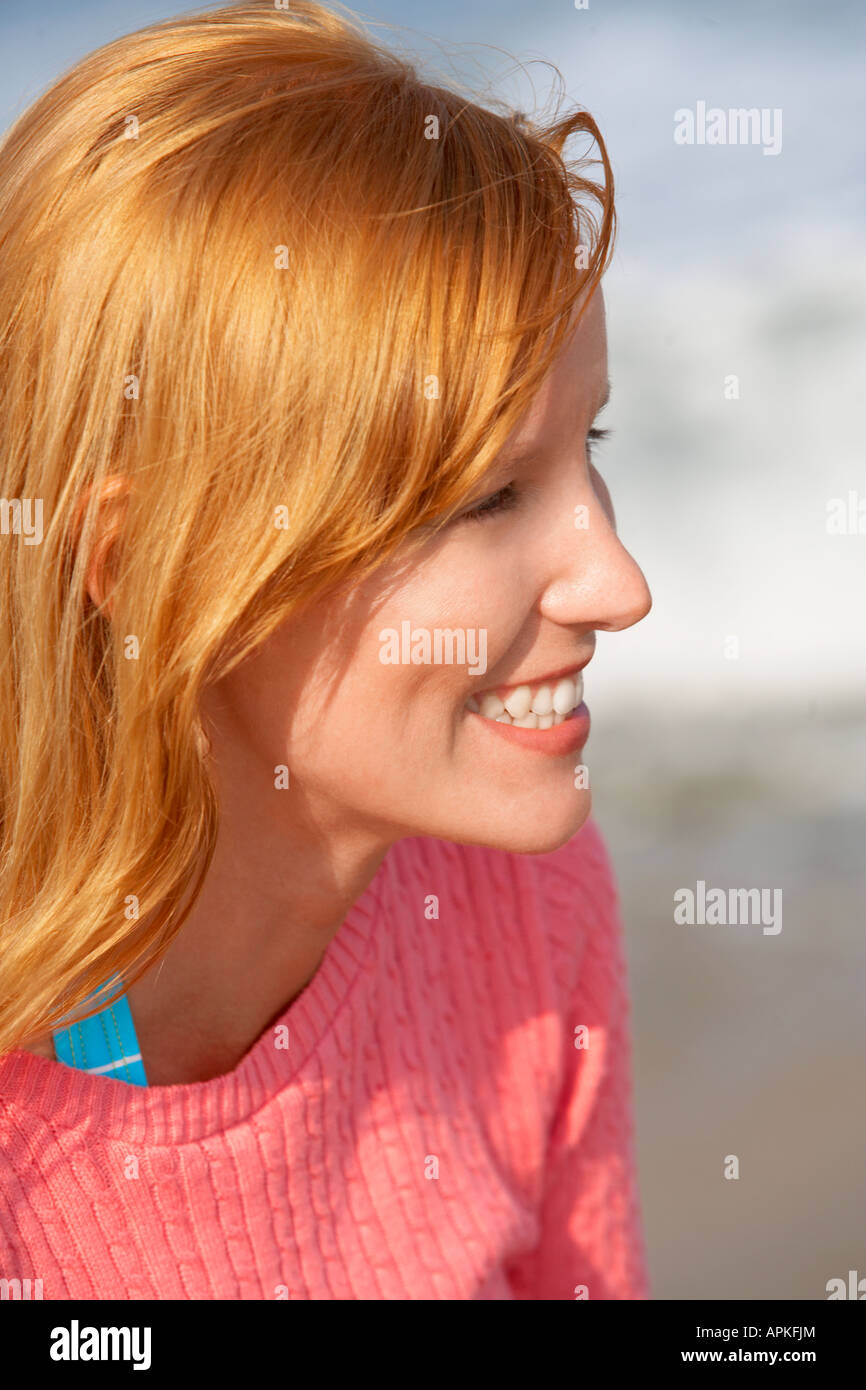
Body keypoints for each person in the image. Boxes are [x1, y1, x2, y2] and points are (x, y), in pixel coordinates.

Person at [0, 0, 652, 1300]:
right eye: (483, 497)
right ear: (143, 565)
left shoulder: (524, 909)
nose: (619, 583)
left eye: (591, 451)